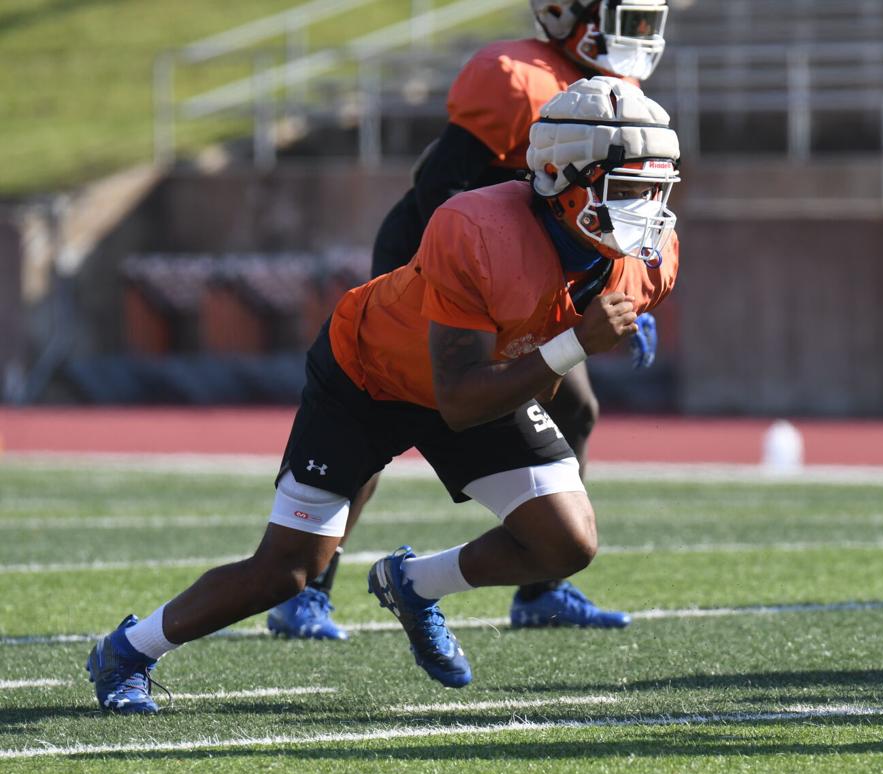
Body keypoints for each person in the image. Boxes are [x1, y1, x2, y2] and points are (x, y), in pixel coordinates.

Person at [86, 76, 682, 712]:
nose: (647, 209)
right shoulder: (476, 228)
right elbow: (459, 400)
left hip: (490, 376)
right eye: (628, 190)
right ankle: (128, 650)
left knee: (566, 543)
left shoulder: (650, 257)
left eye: (656, 190)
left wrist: (578, 338)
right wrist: (573, 346)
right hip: (369, 375)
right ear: (564, 179)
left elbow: (504, 372)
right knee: (287, 569)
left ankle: (414, 583)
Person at [265, 0, 671, 640]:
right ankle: (310, 585)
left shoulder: (619, 93)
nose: (639, 38)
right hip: (441, 256)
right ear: (567, 12)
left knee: (576, 408)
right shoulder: (515, 75)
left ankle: (541, 587)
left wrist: (609, 277)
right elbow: (439, 182)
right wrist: (479, 265)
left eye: (647, 23)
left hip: (540, 266)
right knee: (380, 417)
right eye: (628, 20)